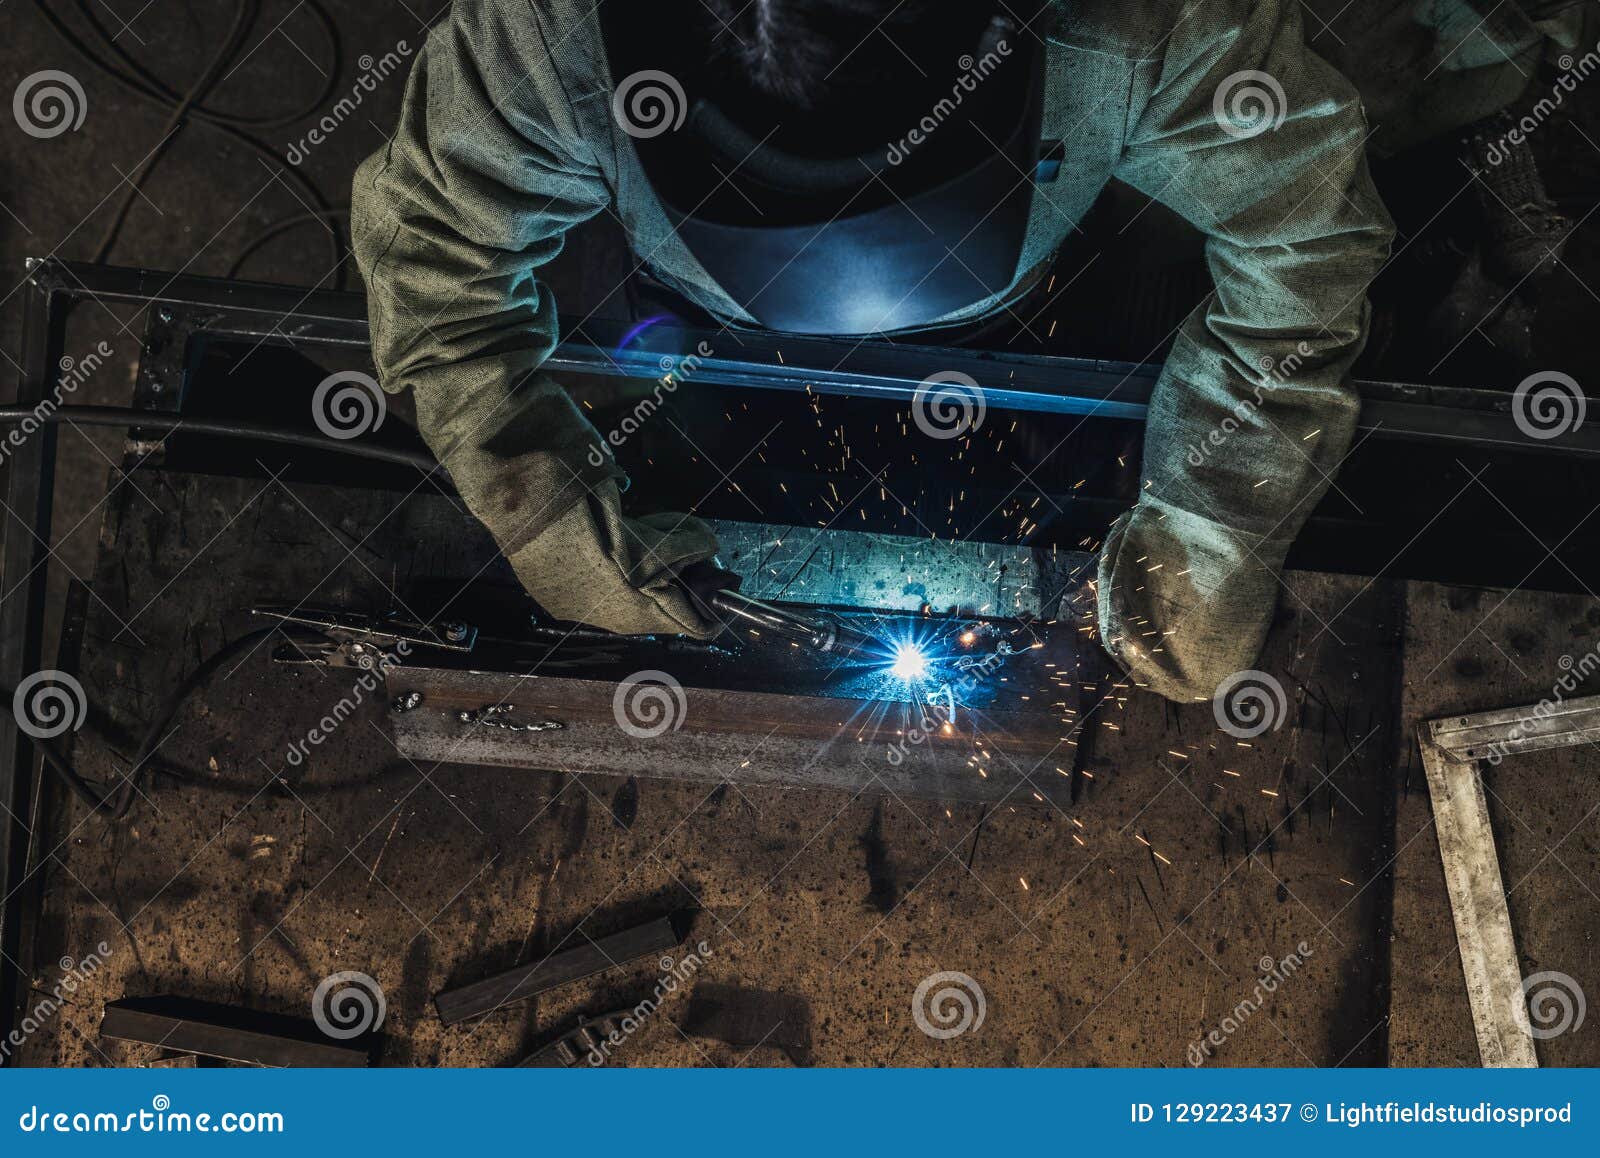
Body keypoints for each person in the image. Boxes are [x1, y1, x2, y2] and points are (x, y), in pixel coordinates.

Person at [351, 0, 1395, 703]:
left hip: (1045, 305)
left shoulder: (1144, 22)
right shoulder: (546, 35)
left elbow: (1303, 229)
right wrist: (538, 505)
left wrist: (1224, 506)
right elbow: (436, 257)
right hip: (695, 325)